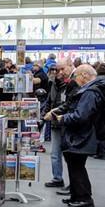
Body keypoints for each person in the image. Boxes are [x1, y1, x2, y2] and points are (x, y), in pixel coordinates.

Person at [45, 64, 104, 207]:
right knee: (74, 165)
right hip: (79, 134)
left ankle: (84, 198)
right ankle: (76, 195)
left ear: (84, 75)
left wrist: (61, 118)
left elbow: (81, 115)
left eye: (76, 76)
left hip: (82, 135)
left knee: (77, 167)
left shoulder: (90, 92)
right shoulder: (88, 90)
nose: (74, 79)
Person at [43, 61, 71, 189]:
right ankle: (57, 178)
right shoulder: (54, 84)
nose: (58, 72)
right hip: (55, 123)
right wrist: (43, 114)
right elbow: (50, 100)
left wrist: (52, 112)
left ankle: (73, 183)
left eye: (62, 69)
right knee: (55, 153)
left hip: (68, 123)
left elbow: (69, 104)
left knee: (70, 155)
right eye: (56, 69)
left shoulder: (72, 84)